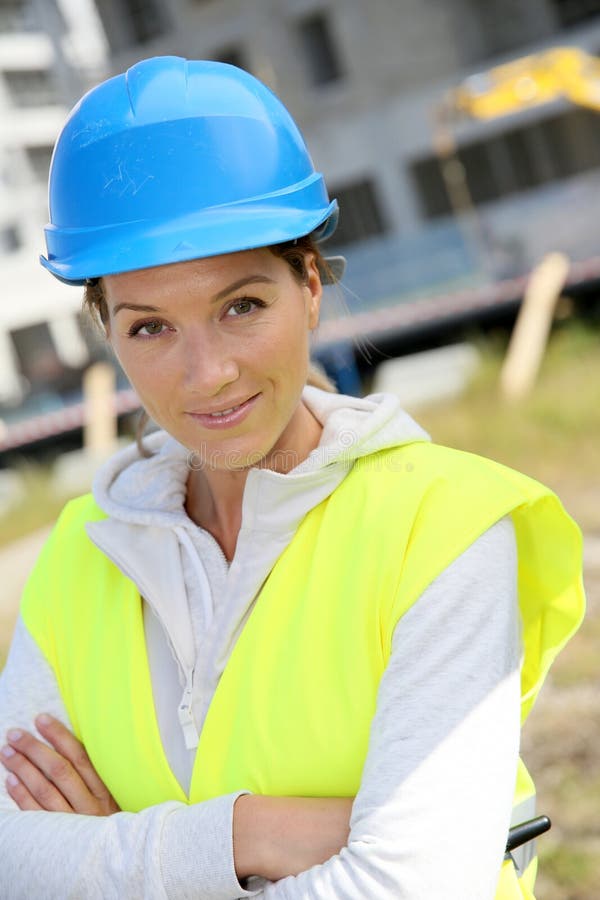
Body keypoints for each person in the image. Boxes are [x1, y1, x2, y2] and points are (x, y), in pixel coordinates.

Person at [0, 57, 585, 900]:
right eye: (151, 326)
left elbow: (411, 887)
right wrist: (254, 835)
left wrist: (117, 859)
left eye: (241, 306)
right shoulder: (75, 561)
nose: (206, 375)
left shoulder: (446, 527)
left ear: (309, 286)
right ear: (107, 332)